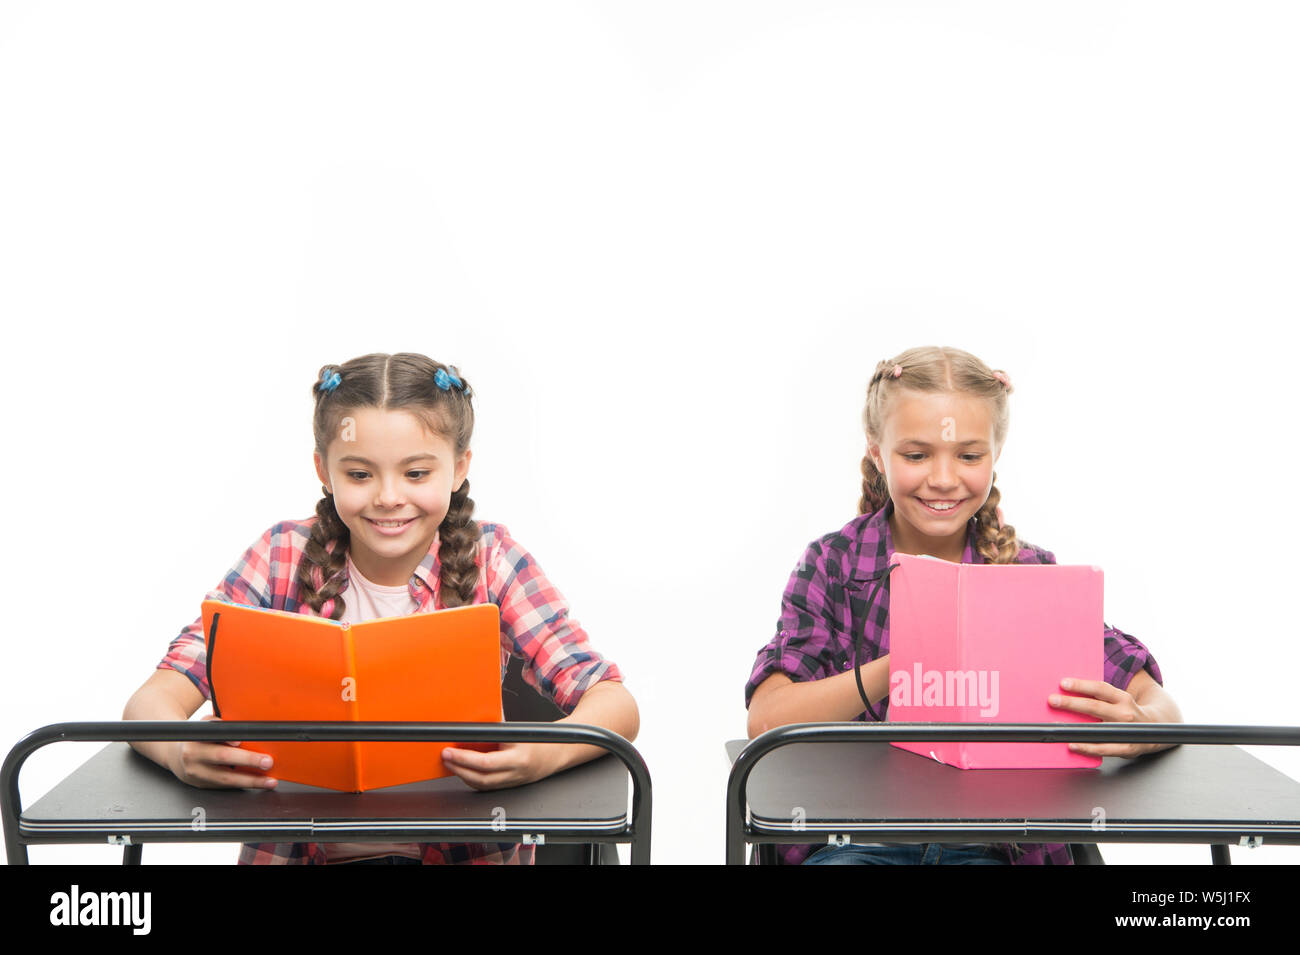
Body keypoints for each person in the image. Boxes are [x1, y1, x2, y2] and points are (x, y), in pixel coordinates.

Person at [123, 352, 639, 864]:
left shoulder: (494, 560)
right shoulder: (281, 554)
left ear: (459, 468)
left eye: (416, 473)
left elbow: (614, 703)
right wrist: (178, 752)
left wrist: (540, 758)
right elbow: (151, 702)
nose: (389, 497)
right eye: (360, 474)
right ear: (323, 470)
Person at [744, 345, 1181, 865]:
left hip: (999, 844)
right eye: (916, 454)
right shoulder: (832, 566)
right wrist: (908, 663)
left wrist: (1141, 729)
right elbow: (766, 722)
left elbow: (1157, 703)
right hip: (857, 841)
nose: (945, 478)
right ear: (877, 453)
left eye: (969, 456)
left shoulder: (1028, 575)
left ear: (996, 456)